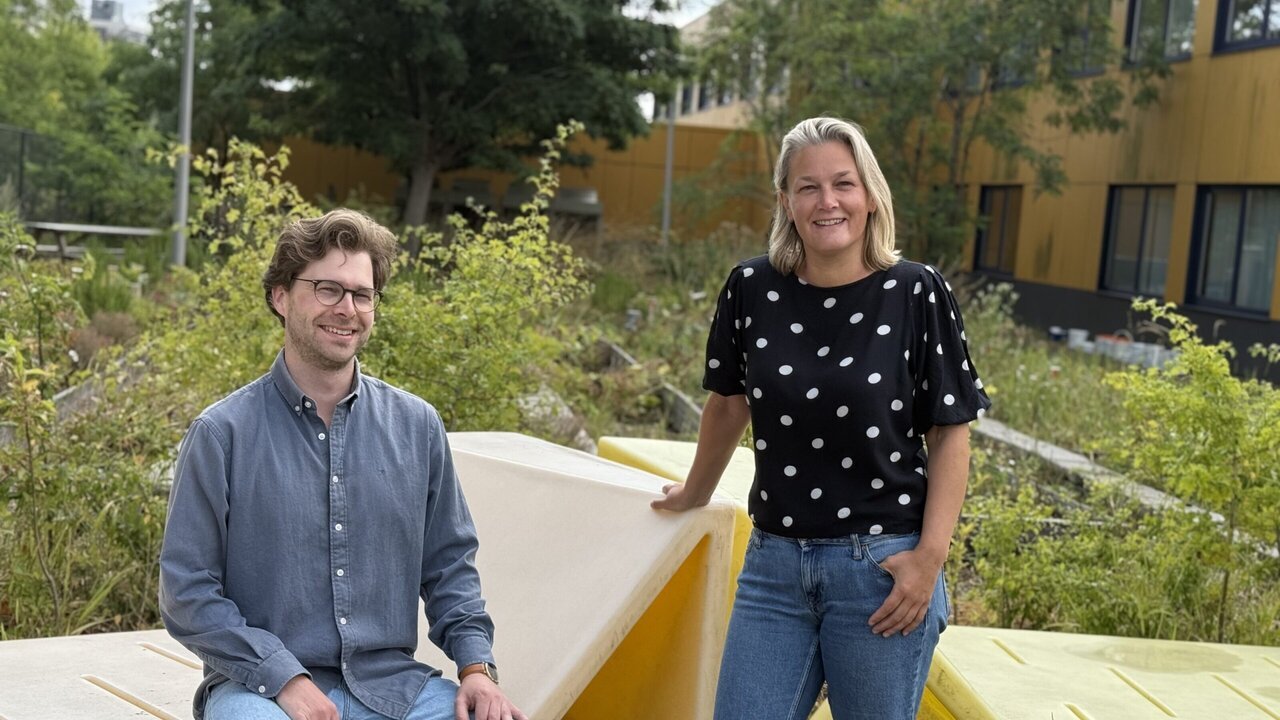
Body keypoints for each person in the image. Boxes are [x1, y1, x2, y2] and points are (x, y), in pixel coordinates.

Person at [652, 117, 991, 719]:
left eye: (843, 183)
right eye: (807, 187)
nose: (827, 201)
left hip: (881, 571)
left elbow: (949, 433)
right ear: (785, 200)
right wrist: (692, 493)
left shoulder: (917, 292)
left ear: (870, 195)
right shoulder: (751, 287)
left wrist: (928, 561)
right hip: (773, 568)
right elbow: (729, 403)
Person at [159, 209, 526, 720]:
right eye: (328, 289)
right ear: (281, 297)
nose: (347, 308)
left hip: (394, 689)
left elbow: (449, 568)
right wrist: (283, 677)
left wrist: (476, 671)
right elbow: (187, 591)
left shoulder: (418, 426)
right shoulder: (222, 435)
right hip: (262, 694)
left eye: (362, 294)